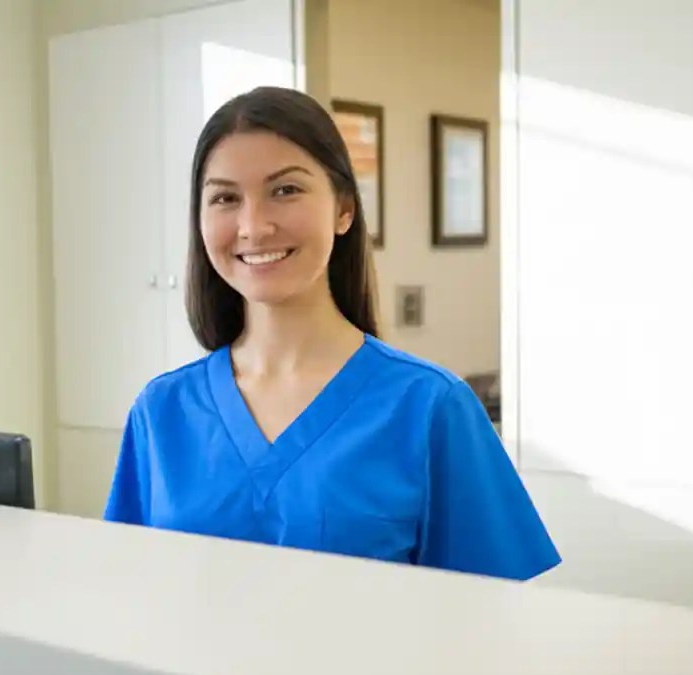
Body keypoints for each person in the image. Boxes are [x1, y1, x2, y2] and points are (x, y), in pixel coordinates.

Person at [103, 86, 560, 581]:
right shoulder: (162, 412)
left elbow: (495, 623)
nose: (253, 227)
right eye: (225, 198)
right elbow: (129, 596)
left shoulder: (429, 407)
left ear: (344, 208)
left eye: (285, 190)